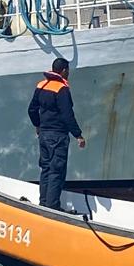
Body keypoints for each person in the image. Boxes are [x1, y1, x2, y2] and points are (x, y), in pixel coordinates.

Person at [27, 56, 86, 210]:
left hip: (44, 135)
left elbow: (32, 109)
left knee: (45, 168)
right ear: (64, 71)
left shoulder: (42, 85)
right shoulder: (61, 89)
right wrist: (78, 135)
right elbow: (67, 114)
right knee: (56, 170)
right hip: (58, 135)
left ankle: (44, 203)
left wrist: (38, 125)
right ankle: (52, 206)